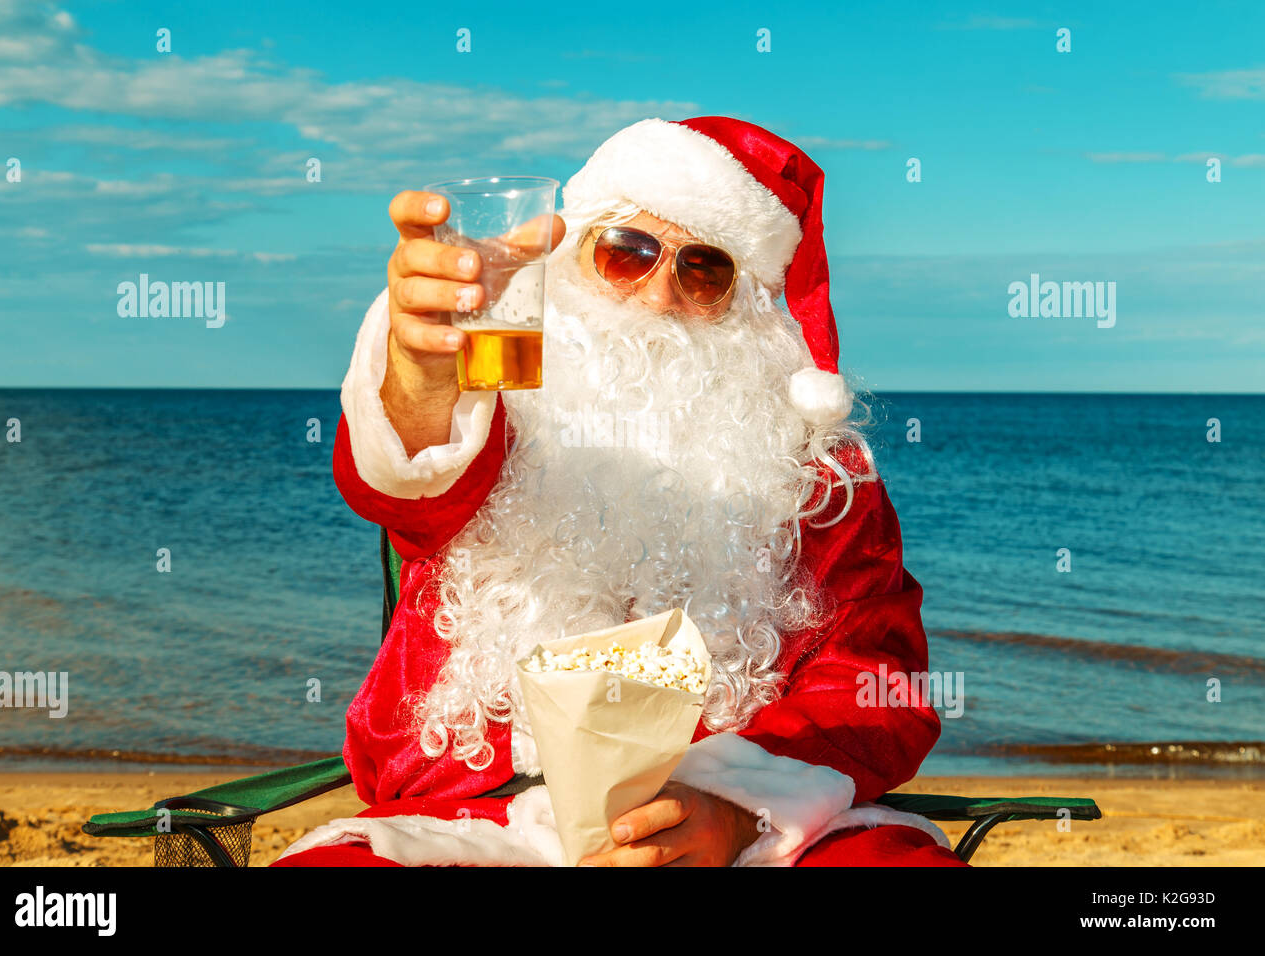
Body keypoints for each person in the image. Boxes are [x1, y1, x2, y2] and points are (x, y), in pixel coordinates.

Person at [273, 116, 967, 867]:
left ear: (746, 302)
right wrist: (421, 365)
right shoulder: (497, 403)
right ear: (572, 256)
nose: (660, 293)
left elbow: (874, 676)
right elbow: (406, 483)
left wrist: (737, 811)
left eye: (705, 270)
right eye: (627, 251)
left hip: (731, 818)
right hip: (478, 818)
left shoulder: (815, 469)